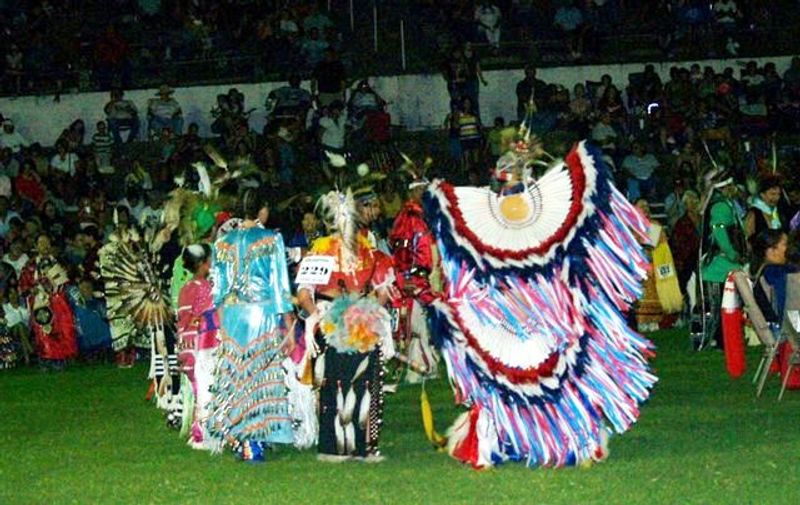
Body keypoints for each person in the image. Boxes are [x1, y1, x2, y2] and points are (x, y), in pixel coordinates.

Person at [296, 189, 396, 463]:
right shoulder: (360, 248)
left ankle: (336, 447)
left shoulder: (358, 249)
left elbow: (305, 294)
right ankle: (359, 448)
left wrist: (317, 313)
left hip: (343, 320)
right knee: (354, 383)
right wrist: (368, 309)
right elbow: (382, 290)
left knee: (340, 384)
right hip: (346, 320)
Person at [206, 192, 296, 462]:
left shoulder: (222, 243)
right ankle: (253, 440)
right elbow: (280, 286)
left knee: (237, 372)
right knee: (259, 373)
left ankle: (243, 436)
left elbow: (219, 290)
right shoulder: (271, 238)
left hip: (233, 313)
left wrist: (222, 323)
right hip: (261, 311)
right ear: (262, 211)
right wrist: (289, 325)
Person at [176, 244, 220, 450]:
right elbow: (210, 317)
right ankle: (203, 434)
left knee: (199, 390)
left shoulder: (186, 287)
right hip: (204, 344)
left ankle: (199, 433)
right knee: (207, 389)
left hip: (187, 346)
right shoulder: (205, 287)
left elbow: (183, 320)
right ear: (203, 264)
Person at [700, 176, 746, 349]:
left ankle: (725, 339)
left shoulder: (726, 204)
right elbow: (718, 230)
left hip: (724, 264)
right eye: (731, 184)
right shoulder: (720, 206)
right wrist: (731, 252)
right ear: (725, 186)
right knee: (722, 305)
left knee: (727, 304)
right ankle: (720, 340)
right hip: (720, 265)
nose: (735, 187)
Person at [745, 174, 784, 240]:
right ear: (762, 194)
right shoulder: (754, 213)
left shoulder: (778, 210)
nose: (777, 198)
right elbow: (748, 237)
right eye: (772, 194)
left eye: (778, 194)